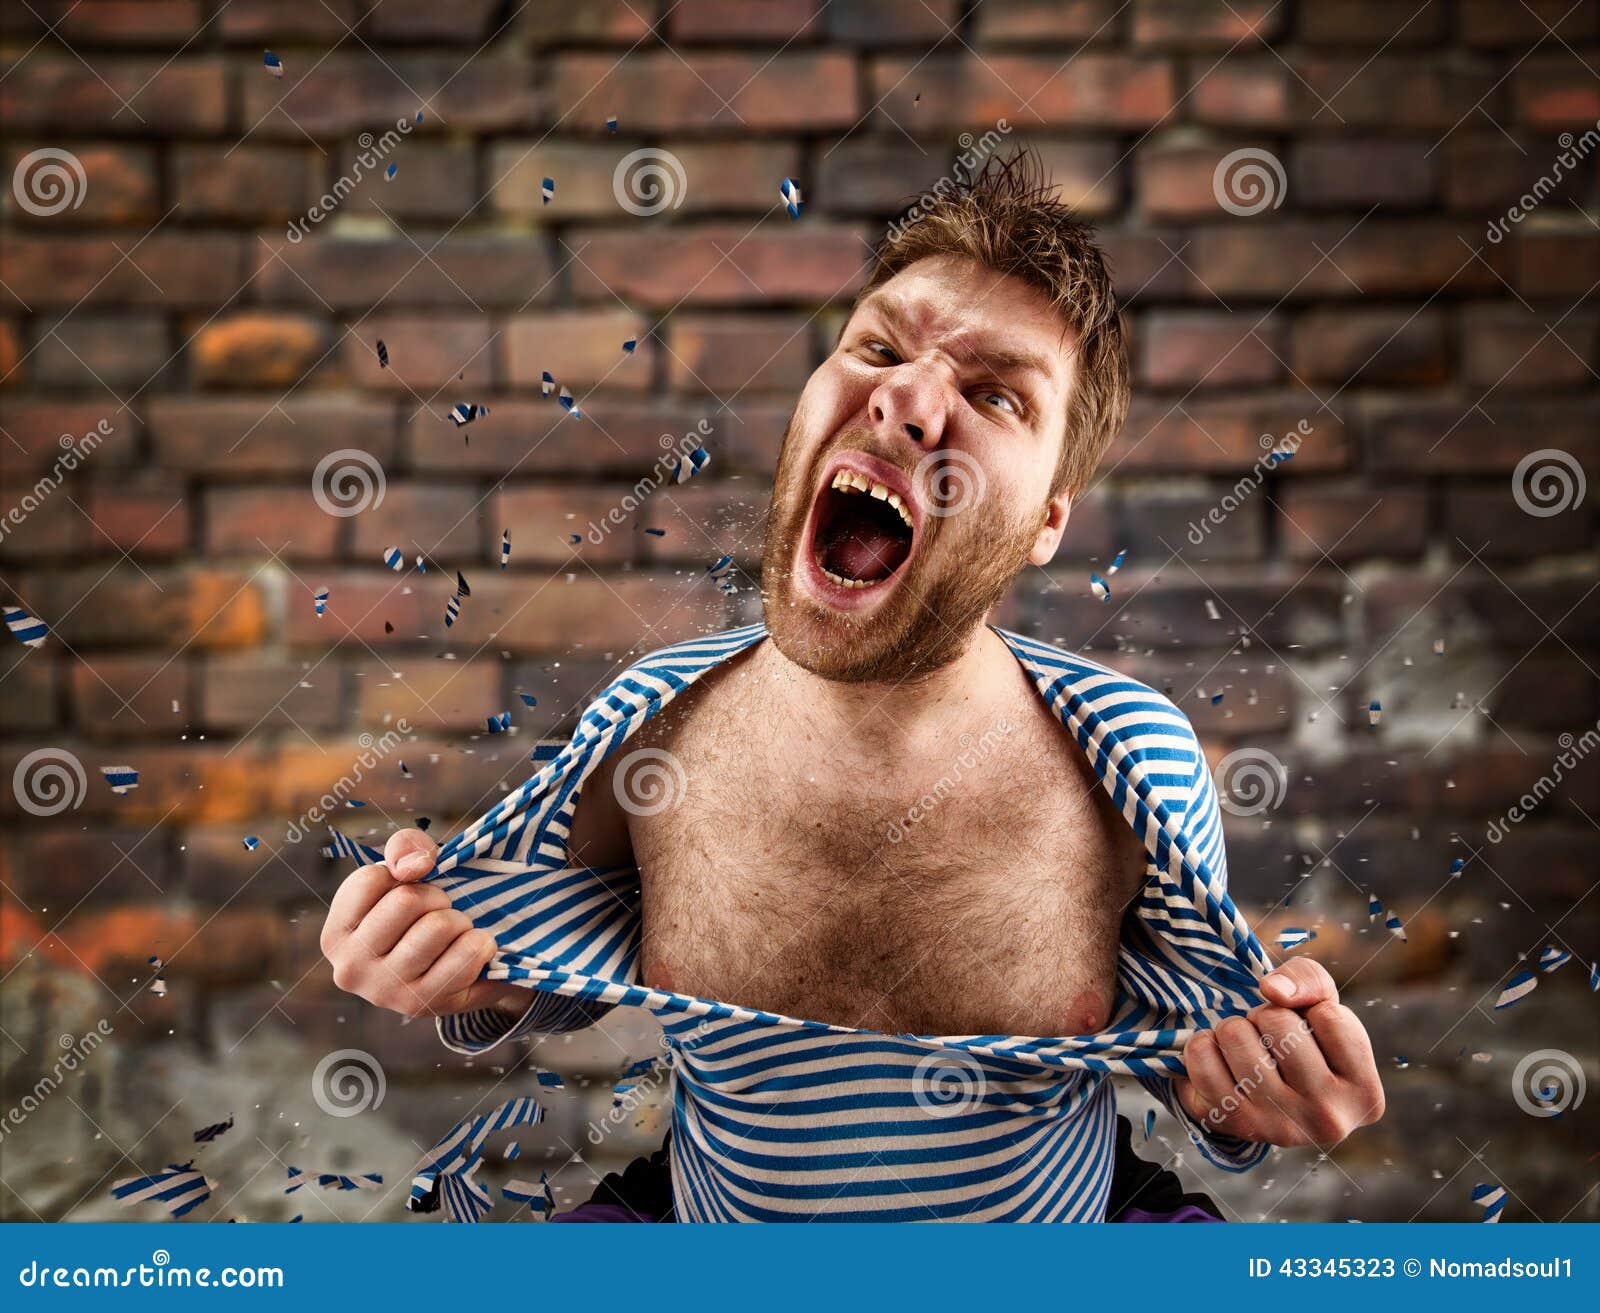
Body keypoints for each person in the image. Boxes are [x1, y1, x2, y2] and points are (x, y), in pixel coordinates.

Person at [321, 151, 1384, 1221]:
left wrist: (1250, 1097)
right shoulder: (653, 722)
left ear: (1047, 521)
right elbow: (526, 954)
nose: (908, 398)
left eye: (994, 393)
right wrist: (439, 963)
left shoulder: (1127, 758)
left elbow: (1197, 1057)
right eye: (878, 346)